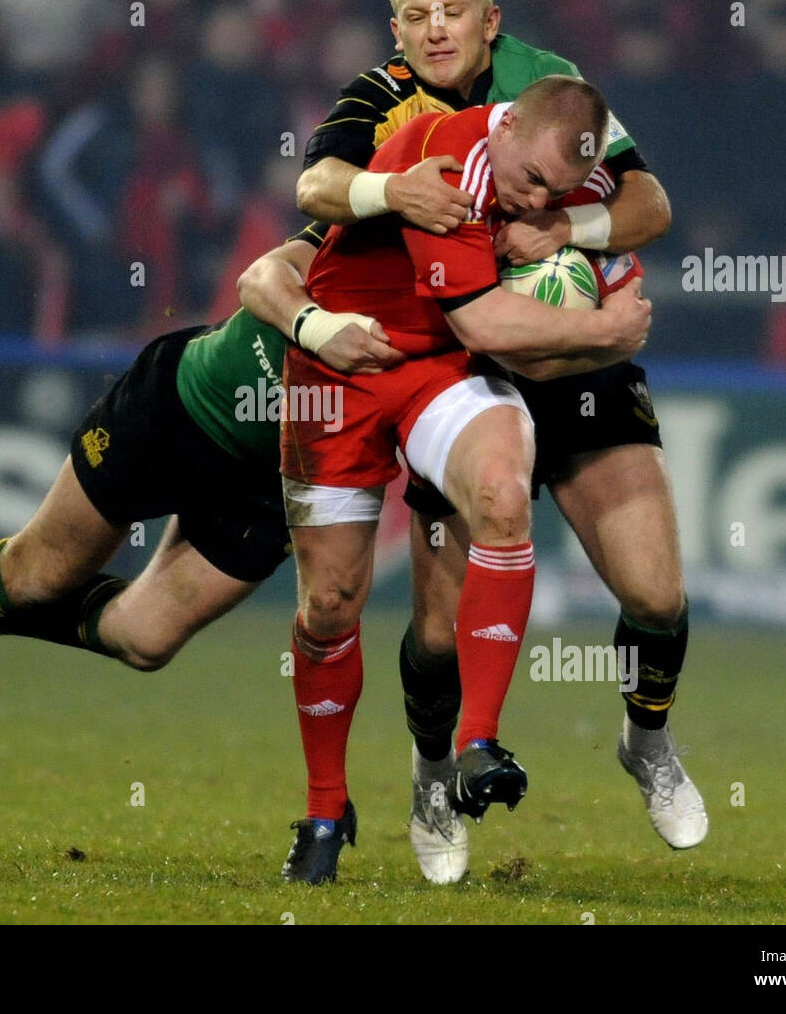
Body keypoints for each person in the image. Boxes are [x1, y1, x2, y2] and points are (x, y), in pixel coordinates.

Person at [242, 0, 705, 884]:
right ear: (396, 29)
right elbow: (317, 192)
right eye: (416, 16)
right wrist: (386, 194)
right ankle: (434, 767)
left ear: (491, 20)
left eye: (452, 11)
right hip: (464, 356)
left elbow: (651, 205)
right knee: (435, 627)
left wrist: (558, 224)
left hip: (571, 357)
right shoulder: (383, 102)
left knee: (657, 594)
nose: (436, 29)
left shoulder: (553, 83)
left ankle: (647, 741)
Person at [0, 296, 399, 815]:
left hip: (272, 479)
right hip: (181, 411)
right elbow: (263, 274)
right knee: (34, 575)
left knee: (146, 640)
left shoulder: (472, 301)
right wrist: (312, 323)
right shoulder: (370, 213)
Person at [272, 78, 651, 885]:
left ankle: (476, 742)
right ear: (506, 125)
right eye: (531, 181)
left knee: (504, 494)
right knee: (330, 603)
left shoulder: (556, 176)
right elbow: (483, 321)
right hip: (342, 368)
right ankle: (324, 805)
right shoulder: (444, 163)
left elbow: (644, 212)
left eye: (557, 189)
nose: (537, 198)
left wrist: (580, 236)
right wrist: (600, 330)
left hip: (440, 374)